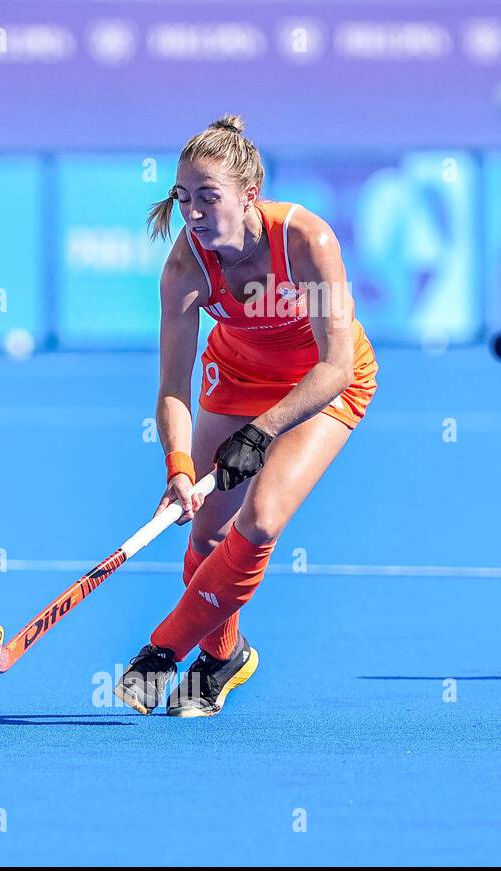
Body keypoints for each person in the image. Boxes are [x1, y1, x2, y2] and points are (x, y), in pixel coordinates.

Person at [114, 115, 378, 718]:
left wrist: (261, 433)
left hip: (326, 383)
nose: (194, 214)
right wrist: (178, 467)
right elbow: (173, 388)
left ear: (249, 194)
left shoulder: (307, 241)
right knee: (205, 535)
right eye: (184, 199)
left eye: (209, 198)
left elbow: (335, 365)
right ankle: (225, 655)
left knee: (258, 520)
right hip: (236, 378)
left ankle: (163, 649)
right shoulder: (185, 270)